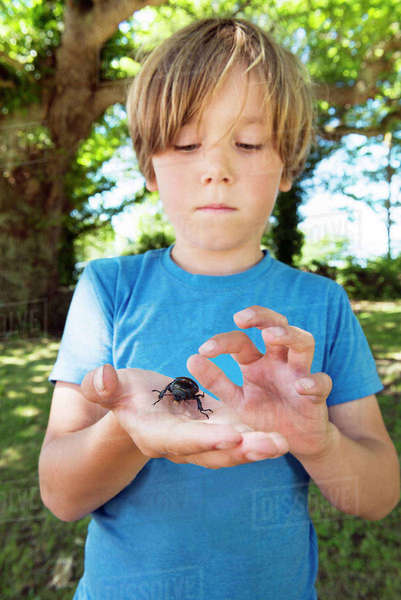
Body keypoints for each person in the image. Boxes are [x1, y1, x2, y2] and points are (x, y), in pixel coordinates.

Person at [38, 17, 400, 600]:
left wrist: (318, 441)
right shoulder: (108, 289)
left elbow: (377, 496)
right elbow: (60, 495)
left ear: (287, 161)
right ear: (149, 167)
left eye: (250, 143)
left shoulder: (320, 305)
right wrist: (130, 432)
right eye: (185, 143)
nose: (217, 168)